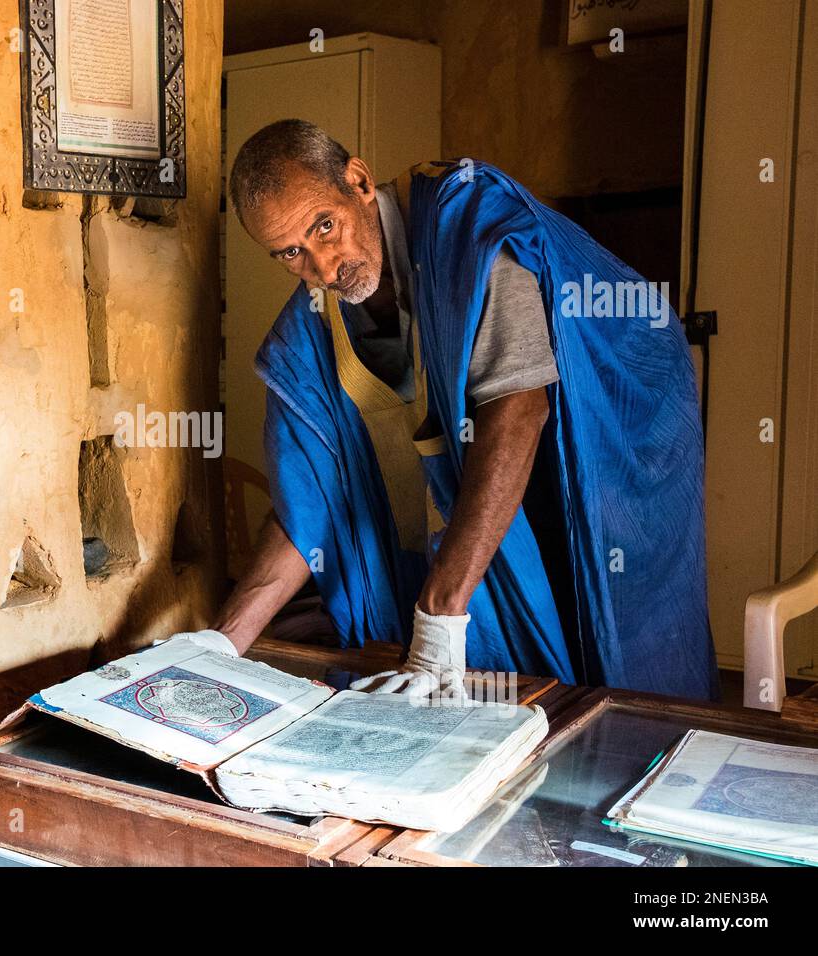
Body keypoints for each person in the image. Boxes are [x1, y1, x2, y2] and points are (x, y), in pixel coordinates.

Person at [168, 119, 719, 702]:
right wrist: (222, 642)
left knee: (613, 631)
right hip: (486, 475)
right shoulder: (306, 336)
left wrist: (438, 616)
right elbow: (308, 504)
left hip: (620, 418)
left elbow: (519, 406)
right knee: (476, 670)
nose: (325, 268)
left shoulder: (471, 226)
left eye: (325, 227)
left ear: (357, 180)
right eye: (292, 254)